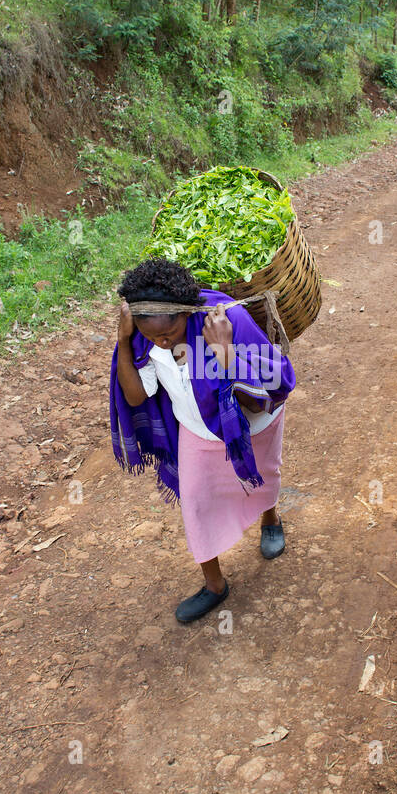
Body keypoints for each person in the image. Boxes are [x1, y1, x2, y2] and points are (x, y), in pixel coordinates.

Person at [109, 258, 296, 623]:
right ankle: (214, 585)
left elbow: (271, 387)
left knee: (262, 478)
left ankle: (270, 518)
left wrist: (225, 353)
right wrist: (123, 341)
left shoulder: (225, 321)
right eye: (154, 338)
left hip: (253, 425)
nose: (164, 341)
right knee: (194, 503)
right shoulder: (140, 338)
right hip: (196, 429)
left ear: (188, 310)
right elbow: (134, 397)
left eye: (171, 331)